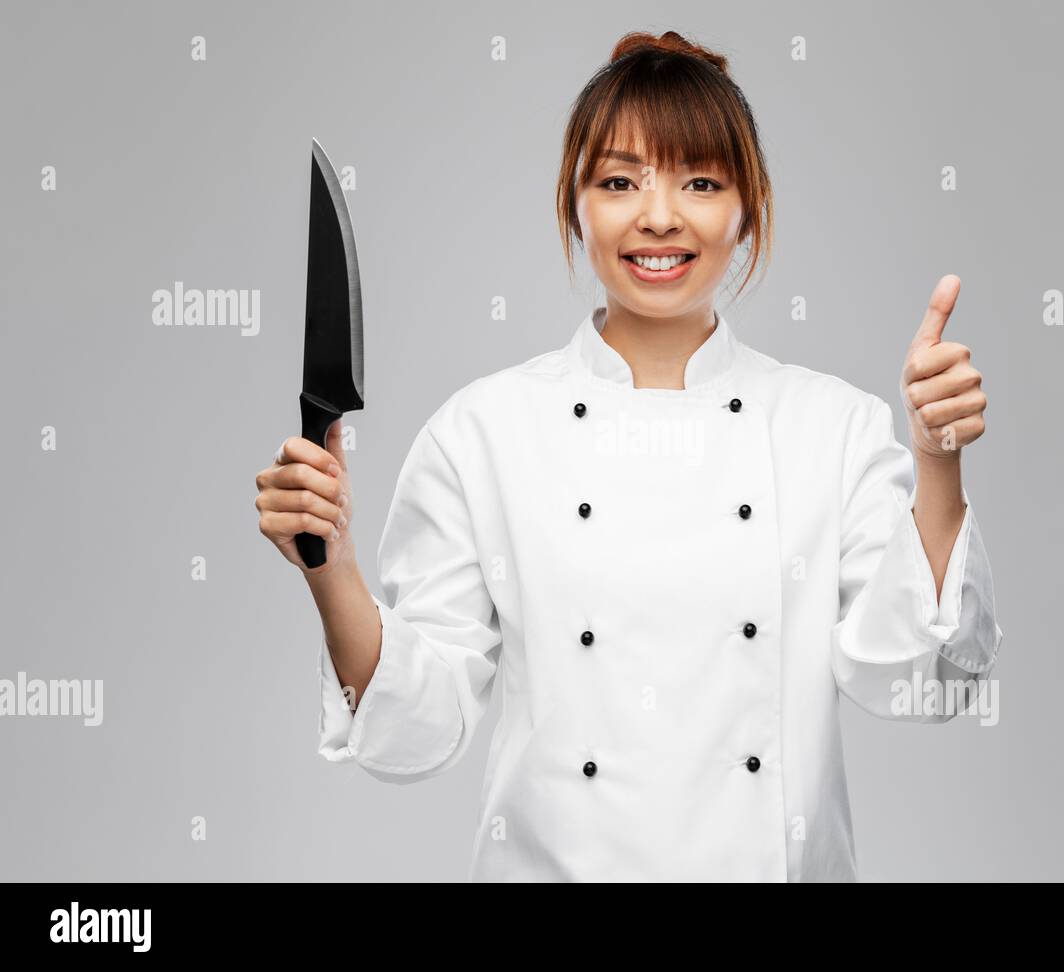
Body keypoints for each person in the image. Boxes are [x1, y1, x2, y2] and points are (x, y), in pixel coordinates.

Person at [254, 30, 1003, 882]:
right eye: (619, 182)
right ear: (575, 203)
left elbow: (924, 682)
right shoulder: (484, 433)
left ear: (747, 209)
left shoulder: (830, 429)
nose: (658, 216)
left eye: (700, 182)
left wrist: (937, 459)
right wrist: (332, 565)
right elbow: (416, 730)